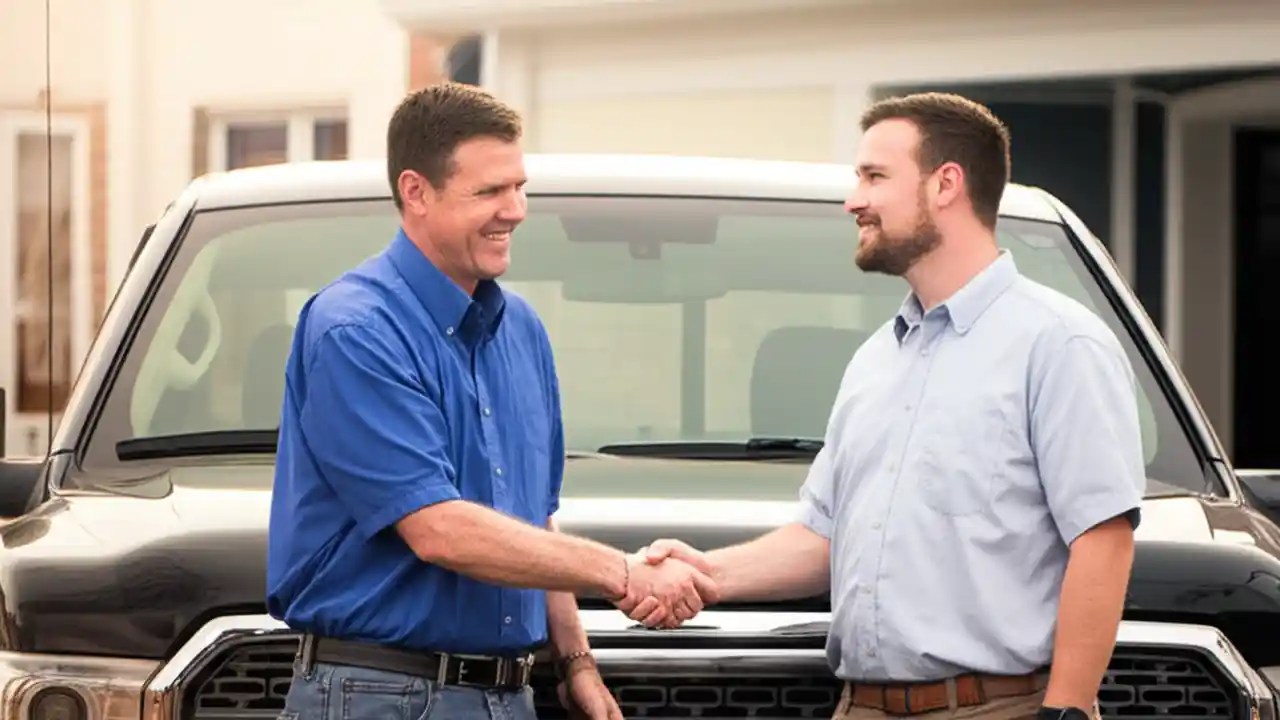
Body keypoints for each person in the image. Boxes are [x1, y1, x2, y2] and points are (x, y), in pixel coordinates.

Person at [630, 92, 1146, 720]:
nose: (855, 199)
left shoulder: (1058, 343)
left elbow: (1102, 537)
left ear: (945, 184)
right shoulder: (877, 360)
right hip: (861, 707)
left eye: (875, 177)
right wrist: (705, 572)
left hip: (993, 709)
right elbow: (824, 538)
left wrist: (1065, 711)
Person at [266, 82, 717, 720]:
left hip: (507, 697)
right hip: (382, 695)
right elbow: (438, 529)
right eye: (489, 192)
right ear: (416, 192)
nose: (516, 210)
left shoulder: (522, 330)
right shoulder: (356, 330)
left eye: (519, 186)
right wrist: (623, 573)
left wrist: (577, 661)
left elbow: (533, 522)